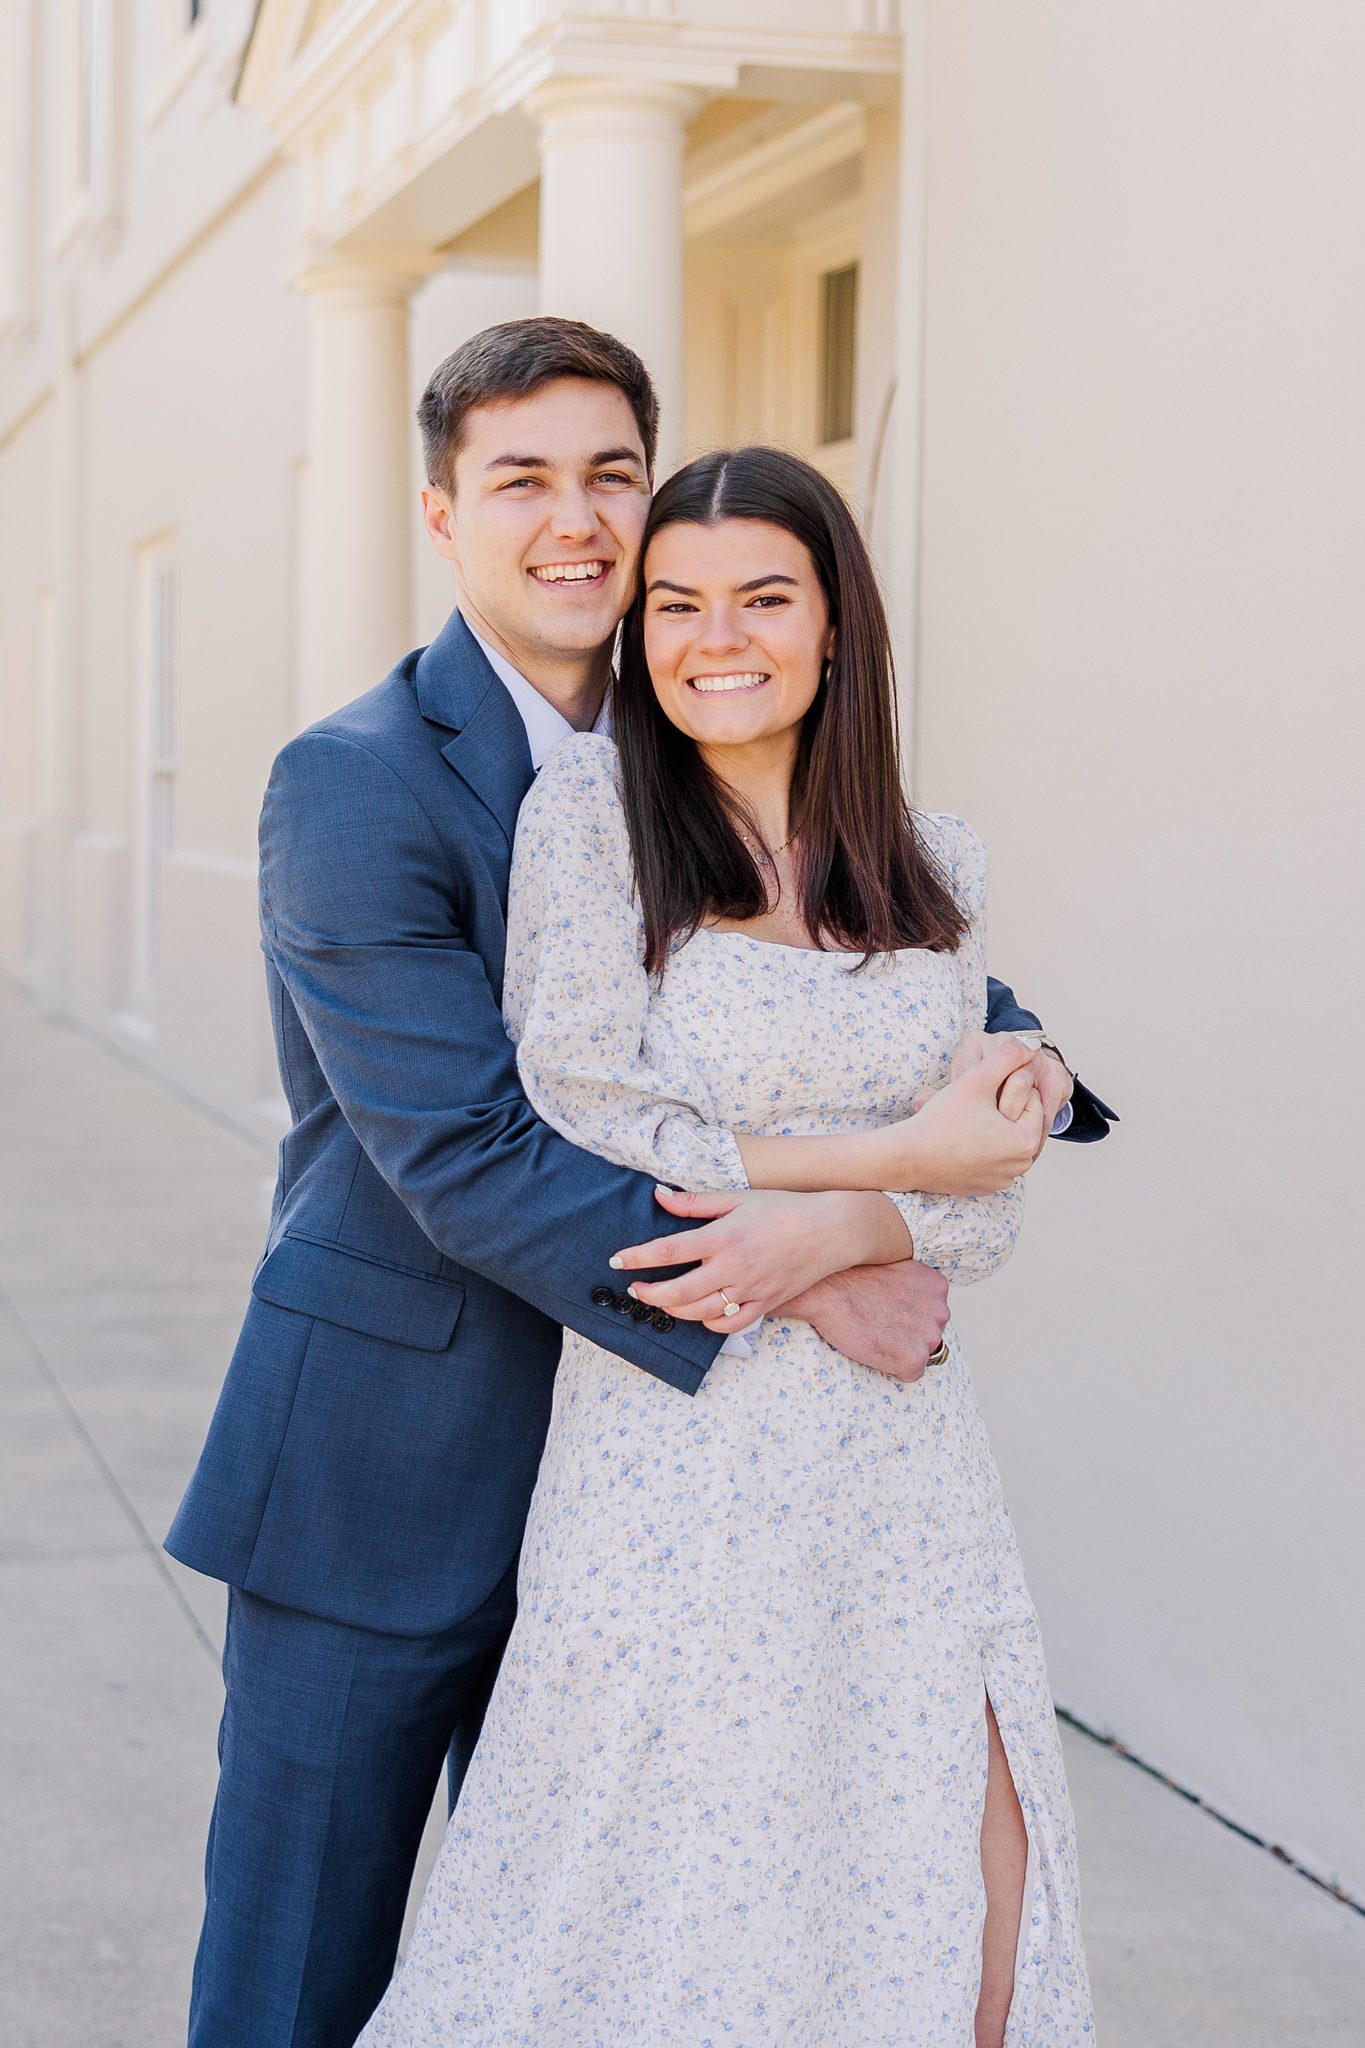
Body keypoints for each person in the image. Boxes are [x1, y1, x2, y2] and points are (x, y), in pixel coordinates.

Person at [166, 318, 1111, 2048]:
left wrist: (1013, 1078)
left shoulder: (698, 731)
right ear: (444, 515)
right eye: (519, 479)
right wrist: (823, 1255)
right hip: (403, 1470)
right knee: (301, 1983)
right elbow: (468, 1149)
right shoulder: (355, 781)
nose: (577, 519)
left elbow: (896, 975)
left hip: (681, 1493)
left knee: (639, 1965)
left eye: (611, 472)